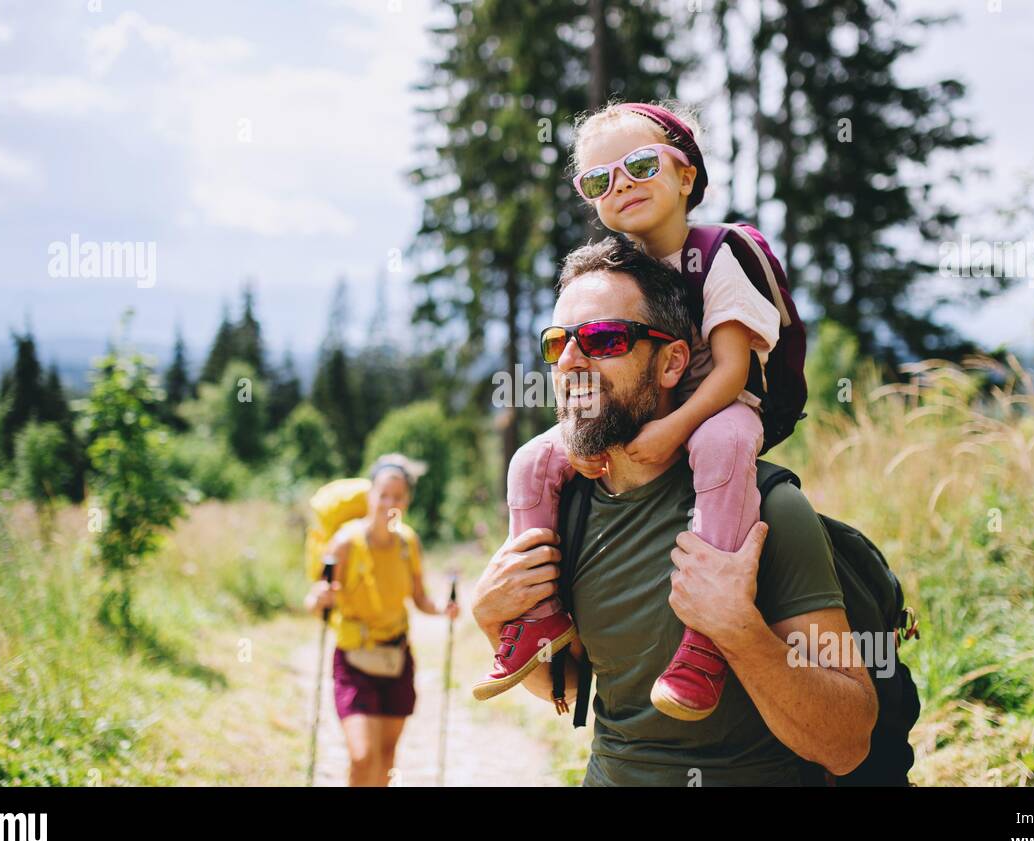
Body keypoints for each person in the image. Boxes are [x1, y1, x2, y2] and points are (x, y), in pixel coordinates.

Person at [470, 237, 877, 785]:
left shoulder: (771, 511)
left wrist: (738, 630)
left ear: (671, 364)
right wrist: (492, 621)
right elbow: (572, 688)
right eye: (557, 343)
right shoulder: (566, 507)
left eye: (604, 339)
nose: (569, 361)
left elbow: (847, 743)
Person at [474, 101, 782, 722]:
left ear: (686, 175)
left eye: (640, 165)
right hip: (649, 413)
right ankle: (538, 616)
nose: (621, 185)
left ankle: (705, 634)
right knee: (533, 461)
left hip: (722, 407)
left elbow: (733, 370)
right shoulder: (623, 270)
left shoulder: (719, 255)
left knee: (720, 444)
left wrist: (671, 428)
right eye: (598, 180)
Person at [304, 455, 459, 787]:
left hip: (397, 660)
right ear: (370, 495)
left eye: (398, 497)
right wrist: (318, 599)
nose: (389, 503)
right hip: (354, 661)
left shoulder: (408, 543)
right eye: (383, 495)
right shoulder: (346, 542)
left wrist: (442, 608)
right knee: (363, 756)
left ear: (407, 501)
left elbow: (419, 598)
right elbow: (318, 596)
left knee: (387, 757)